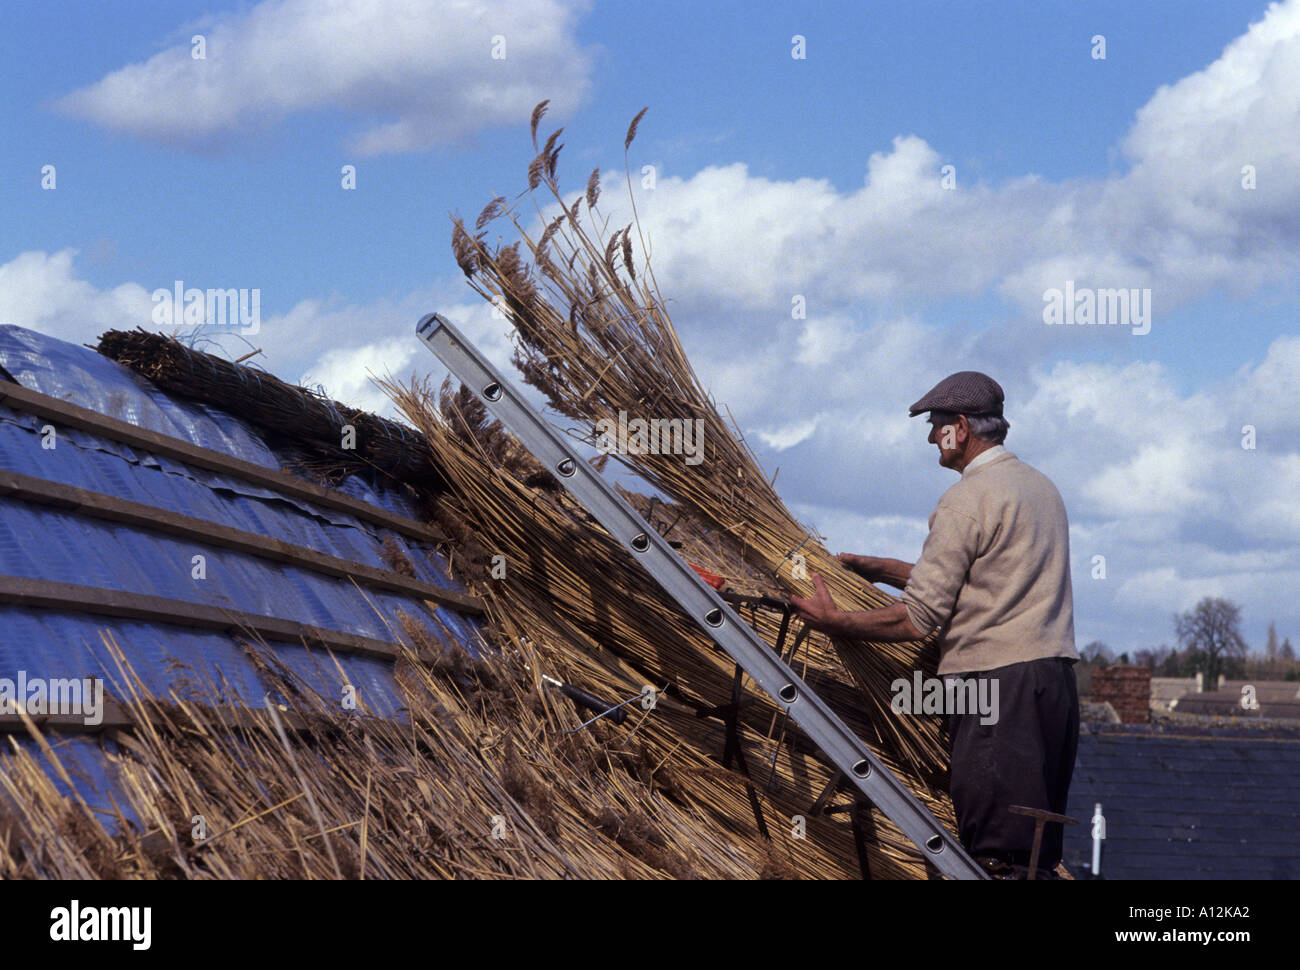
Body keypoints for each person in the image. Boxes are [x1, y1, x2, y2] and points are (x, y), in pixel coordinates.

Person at [790, 371, 1079, 879]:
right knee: (1034, 852)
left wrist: (834, 621)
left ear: (961, 427)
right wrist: (889, 570)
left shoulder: (965, 500)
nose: (930, 437)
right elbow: (993, 580)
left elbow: (917, 618)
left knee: (994, 859)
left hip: (995, 692)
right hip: (1052, 687)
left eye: (936, 425)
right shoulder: (1040, 489)